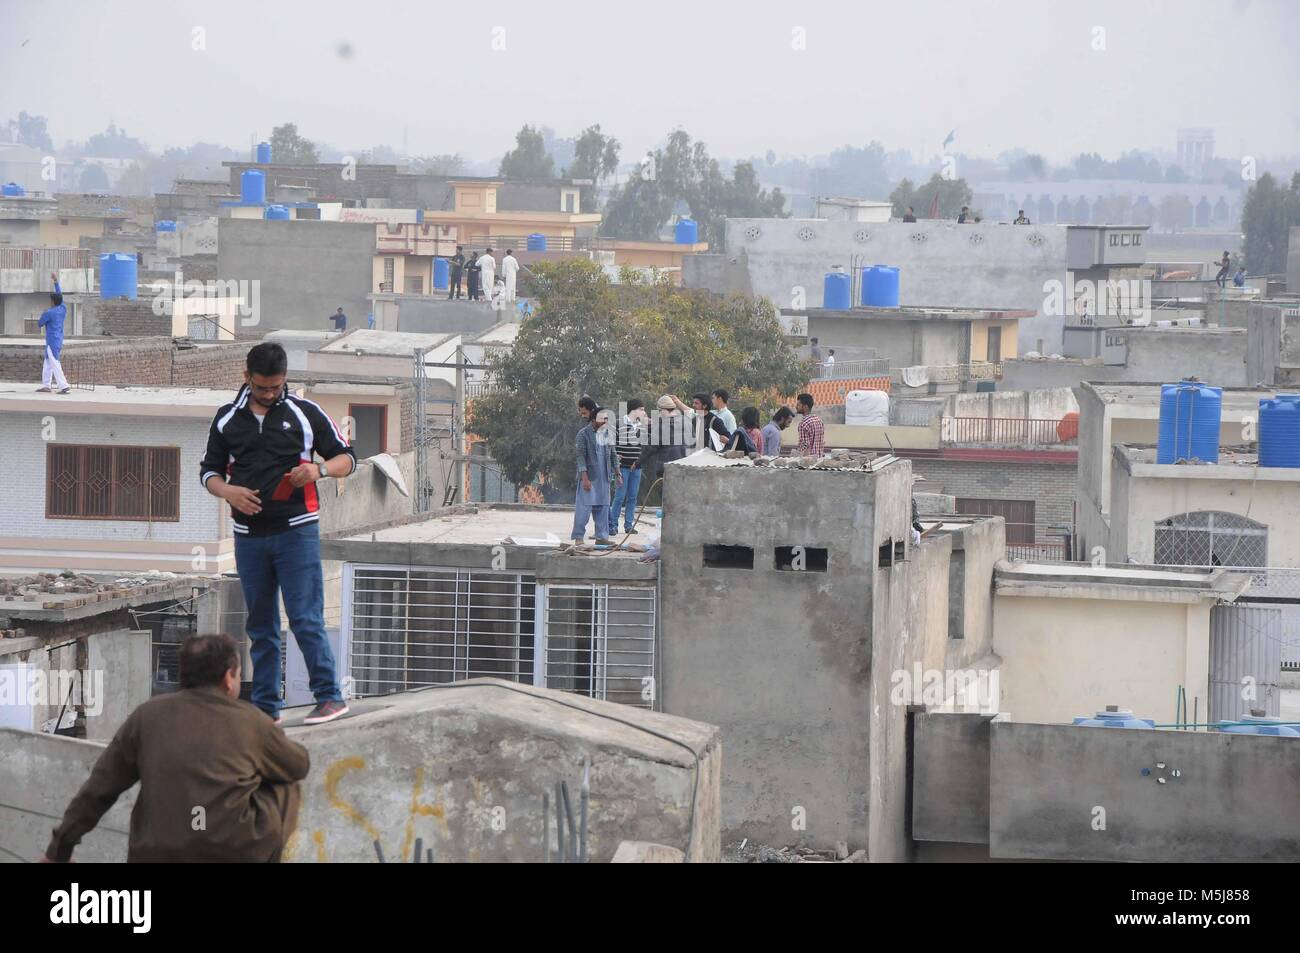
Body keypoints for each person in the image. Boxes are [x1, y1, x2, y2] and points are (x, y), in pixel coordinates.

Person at [42, 634, 309, 863]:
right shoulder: (251, 720)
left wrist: (58, 851)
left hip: (156, 852)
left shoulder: (147, 716)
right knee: (285, 783)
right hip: (234, 851)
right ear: (229, 678)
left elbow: (99, 789)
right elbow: (299, 765)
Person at [200, 343, 355, 726]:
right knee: (261, 625)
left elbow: (347, 458)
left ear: (285, 379)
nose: (269, 395)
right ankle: (266, 711)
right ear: (247, 377)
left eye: (276, 387)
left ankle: (330, 698)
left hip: (297, 531)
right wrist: (228, 491)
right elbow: (209, 472)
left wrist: (318, 471)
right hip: (248, 537)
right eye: (262, 388)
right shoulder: (225, 420)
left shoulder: (305, 413)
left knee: (304, 617)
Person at [574, 406, 620, 544]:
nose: (606, 421)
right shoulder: (583, 435)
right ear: (594, 419)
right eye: (603, 419)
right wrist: (585, 479)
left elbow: (613, 454)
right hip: (589, 479)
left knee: (603, 508)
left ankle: (602, 537)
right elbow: (580, 458)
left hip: (604, 478)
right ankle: (578, 538)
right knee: (584, 509)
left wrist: (617, 472)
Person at [608, 399, 648, 536]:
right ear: (634, 410)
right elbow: (611, 443)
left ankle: (628, 525)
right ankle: (612, 525)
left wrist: (639, 461)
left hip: (636, 467)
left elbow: (644, 446)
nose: (644, 412)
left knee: (632, 497)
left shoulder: (642, 426)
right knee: (619, 496)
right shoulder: (619, 423)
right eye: (641, 409)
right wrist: (615, 459)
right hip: (622, 467)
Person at [640, 394, 690, 484]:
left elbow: (650, 447)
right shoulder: (687, 421)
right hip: (685, 467)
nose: (659, 413)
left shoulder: (662, 425)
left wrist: (637, 463)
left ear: (663, 409)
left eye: (659, 411)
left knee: (667, 496)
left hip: (667, 468)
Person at [36, 272, 70, 394]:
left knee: (55, 362)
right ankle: (46, 385)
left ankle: (64, 385)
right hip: (58, 338)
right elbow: (59, 294)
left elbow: (39, 323)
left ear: (53, 302)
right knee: (48, 362)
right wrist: (55, 282)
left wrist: (44, 313)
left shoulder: (49, 313)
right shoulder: (63, 308)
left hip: (51, 340)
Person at [795, 393, 825, 458]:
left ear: (805, 407)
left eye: (798, 405)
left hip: (808, 462)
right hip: (819, 460)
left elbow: (804, 446)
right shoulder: (819, 420)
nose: (796, 407)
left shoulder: (803, 424)